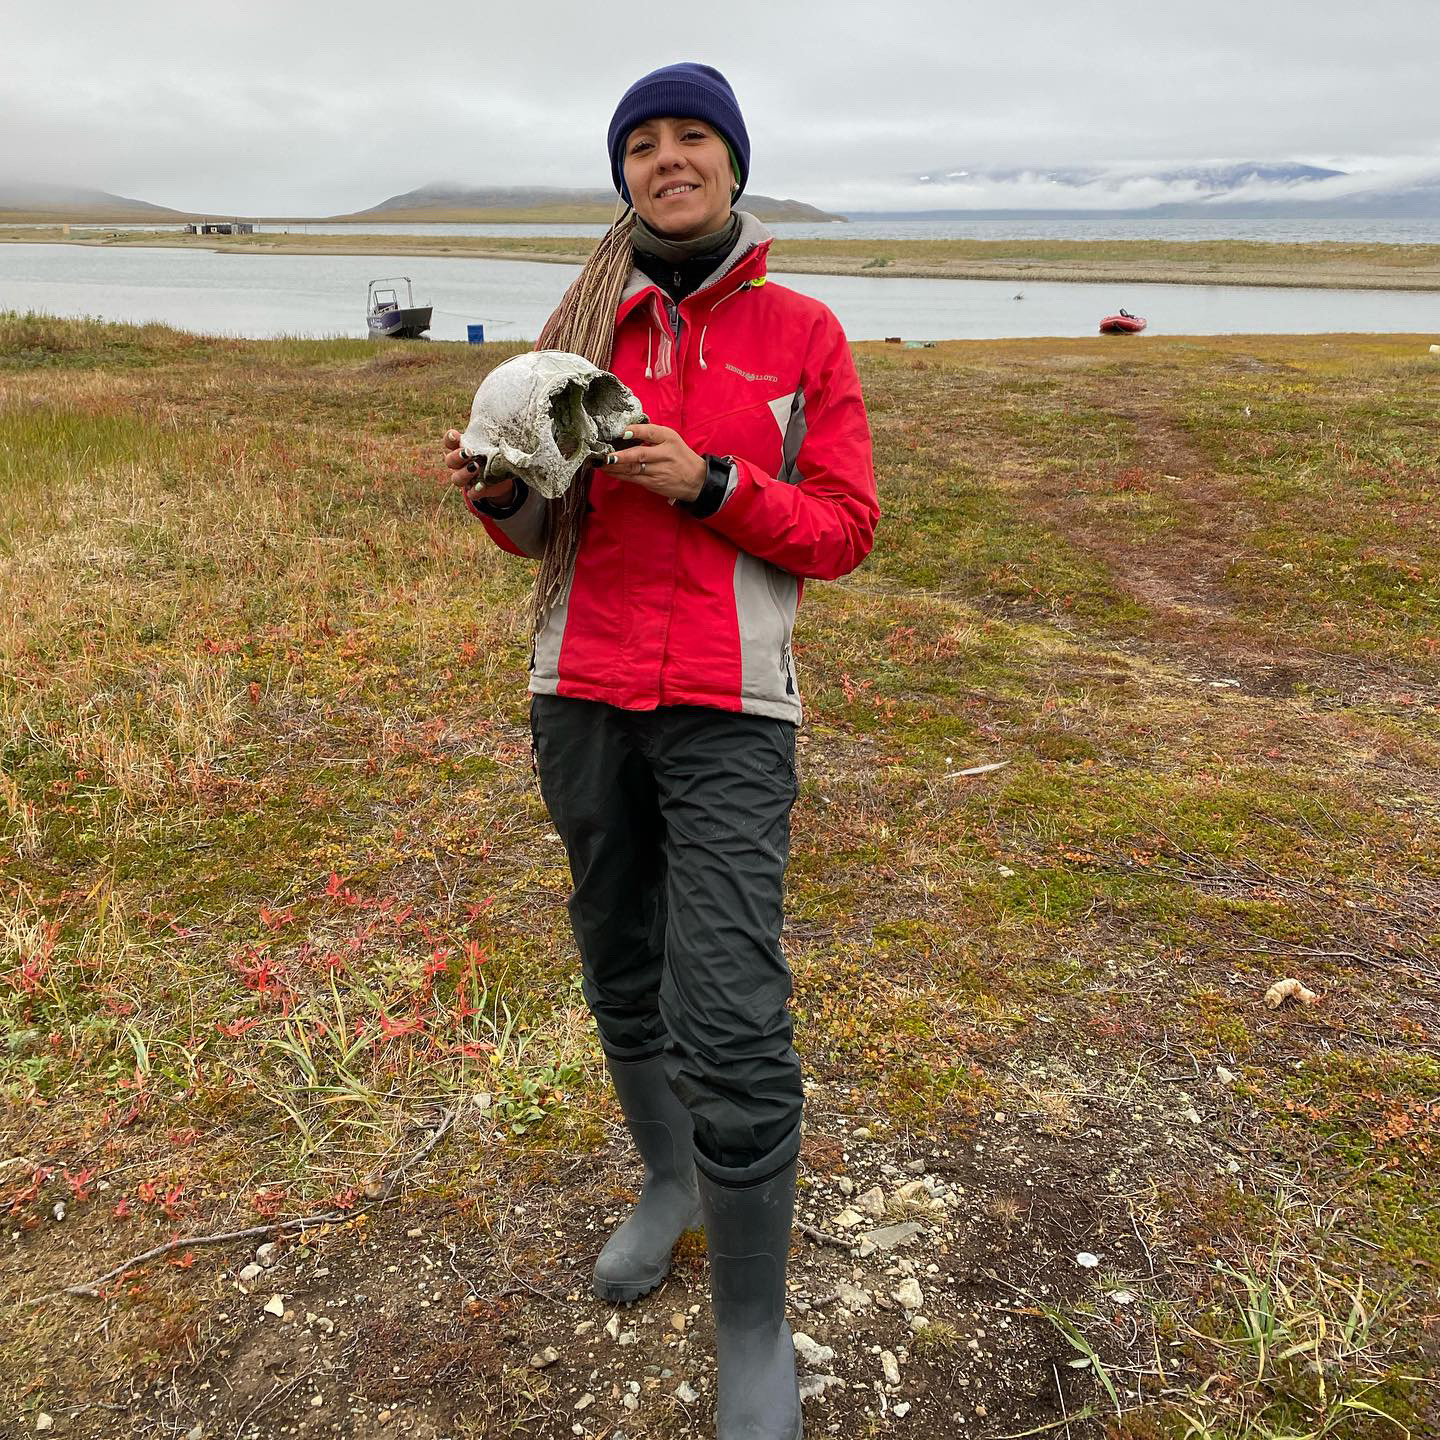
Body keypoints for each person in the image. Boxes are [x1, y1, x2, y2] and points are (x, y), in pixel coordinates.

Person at [442, 63, 878, 1440]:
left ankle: (753, 1329)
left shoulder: (803, 333)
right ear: (622, 173)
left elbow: (847, 529)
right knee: (616, 951)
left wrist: (715, 485)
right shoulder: (576, 334)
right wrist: (500, 496)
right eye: (643, 144)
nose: (668, 159)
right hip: (579, 689)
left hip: (732, 706)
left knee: (733, 1007)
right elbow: (537, 537)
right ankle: (669, 1180)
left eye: (693, 139)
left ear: (735, 167)